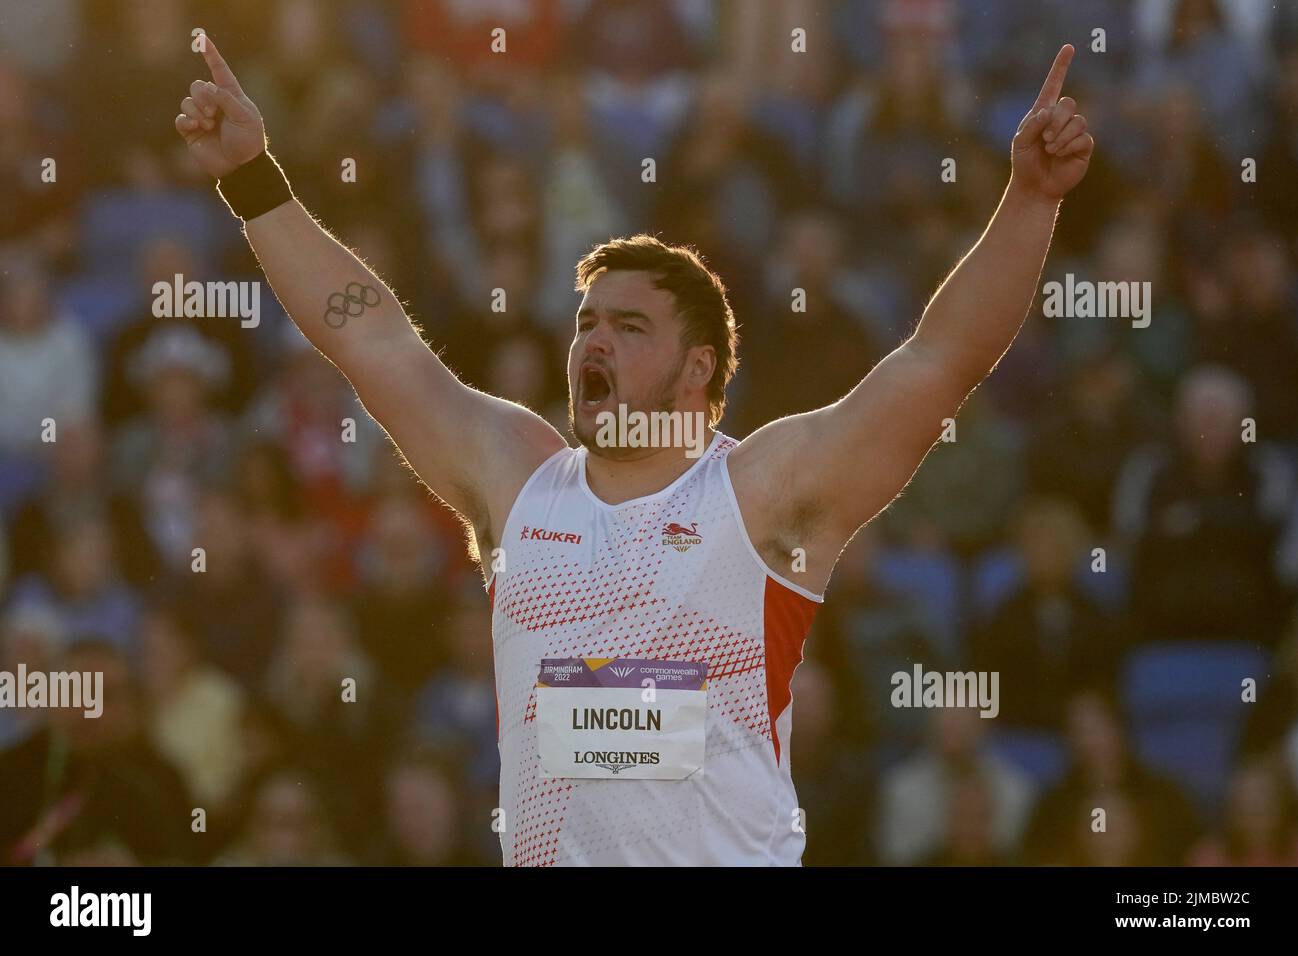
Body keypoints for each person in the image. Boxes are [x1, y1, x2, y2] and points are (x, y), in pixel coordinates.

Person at [173, 37, 1093, 866]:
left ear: (698, 367)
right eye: (584, 322)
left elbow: (939, 360)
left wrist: (1028, 200)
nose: (591, 343)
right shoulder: (519, 480)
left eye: (626, 325)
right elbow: (373, 339)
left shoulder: (760, 494)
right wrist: (254, 179)